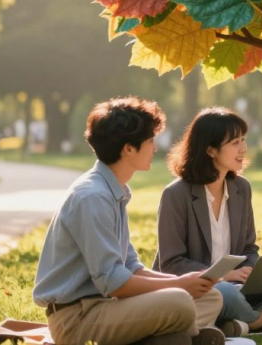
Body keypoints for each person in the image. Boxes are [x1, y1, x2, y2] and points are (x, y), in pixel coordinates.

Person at [33, 96, 225, 345]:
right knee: (179, 301)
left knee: (210, 297)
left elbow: (131, 266)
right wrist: (180, 285)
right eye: (150, 141)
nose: (155, 148)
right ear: (129, 149)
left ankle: (174, 338)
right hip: (77, 319)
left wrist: (189, 282)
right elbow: (113, 282)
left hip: (109, 307)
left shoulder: (113, 191)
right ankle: (184, 337)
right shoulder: (92, 197)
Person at [154, 107, 262, 338]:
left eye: (243, 139)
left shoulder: (241, 188)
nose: (243, 148)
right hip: (200, 290)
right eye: (235, 142)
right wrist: (222, 276)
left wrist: (253, 273)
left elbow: (249, 248)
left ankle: (241, 323)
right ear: (211, 150)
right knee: (226, 293)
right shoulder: (176, 194)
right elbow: (171, 263)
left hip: (238, 288)